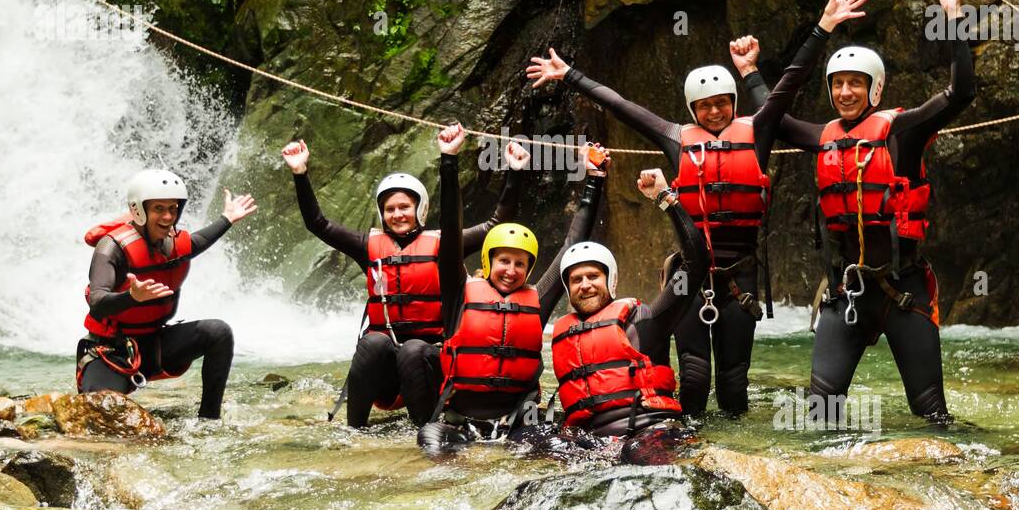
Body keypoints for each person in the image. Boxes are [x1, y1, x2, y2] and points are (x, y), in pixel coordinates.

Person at [527, 0, 868, 417]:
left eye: (722, 104)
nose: (714, 112)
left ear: (733, 103)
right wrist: (569, 74)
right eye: (704, 106)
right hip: (687, 275)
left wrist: (824, 26)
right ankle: (686, 444)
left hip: (740, 275)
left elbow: (791, 81)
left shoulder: (758, 130)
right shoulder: (675, 137)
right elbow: (622, 105)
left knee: (732, 380)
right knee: (693, 374)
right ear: (692, 109)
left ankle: (733, 448)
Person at [743, 0, 976, 425]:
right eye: (837, 84)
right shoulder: (824, 137)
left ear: (876, 88)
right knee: (821, 412)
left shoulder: (903, 131)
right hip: (846, 293)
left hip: (903, 291)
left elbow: (961, 92)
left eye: (855, 83)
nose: (845, 92)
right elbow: (770, 116)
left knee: (931, 413)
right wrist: (752, 71)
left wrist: (953, 18)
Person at [281, 137, 529, 428]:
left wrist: (515, 173)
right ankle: (354, 431)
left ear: (419, 208)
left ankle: (426, 431)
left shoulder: (445, 245)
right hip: (389, 374)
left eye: (404, 207)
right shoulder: (367, 245)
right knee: (372, 342)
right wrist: (300, 173)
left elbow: (496, 225)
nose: (397, 215)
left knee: (413, 349)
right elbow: (318, 224)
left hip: (431, 364)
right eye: (390, 209)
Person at [418, 124, 609, 451]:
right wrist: (449, 160)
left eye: (520, 264)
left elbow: (572, 245)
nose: (511, 270)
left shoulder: (537, 299)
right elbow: (450, 234)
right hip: (459, 423)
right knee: (432, 449)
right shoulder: (459, 293)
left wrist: (594, 178)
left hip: (519, 423)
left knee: (555, 452)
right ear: (488, 260)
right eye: (504, 261)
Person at [79, 168, 257, 419]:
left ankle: (209, 420)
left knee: (218, 332)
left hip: (155, 345)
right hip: (112, 351)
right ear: (139, 210)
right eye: (159, 209)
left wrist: (226, 218)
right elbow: (97, 301)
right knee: (100, 414)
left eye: (173, 208)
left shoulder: (173, 243)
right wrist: (132, 297)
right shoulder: (111, 247)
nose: (168, 216)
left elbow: (199, 242)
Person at [547, 168, 708, 438]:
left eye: (593, 276)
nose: (585, 285)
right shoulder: (564, 333)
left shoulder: (645, 322)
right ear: (568, 288)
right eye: (576, 280)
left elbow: (697, 263)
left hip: (648, 432)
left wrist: (665, 198)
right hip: (591, 443)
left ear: (610, 279)